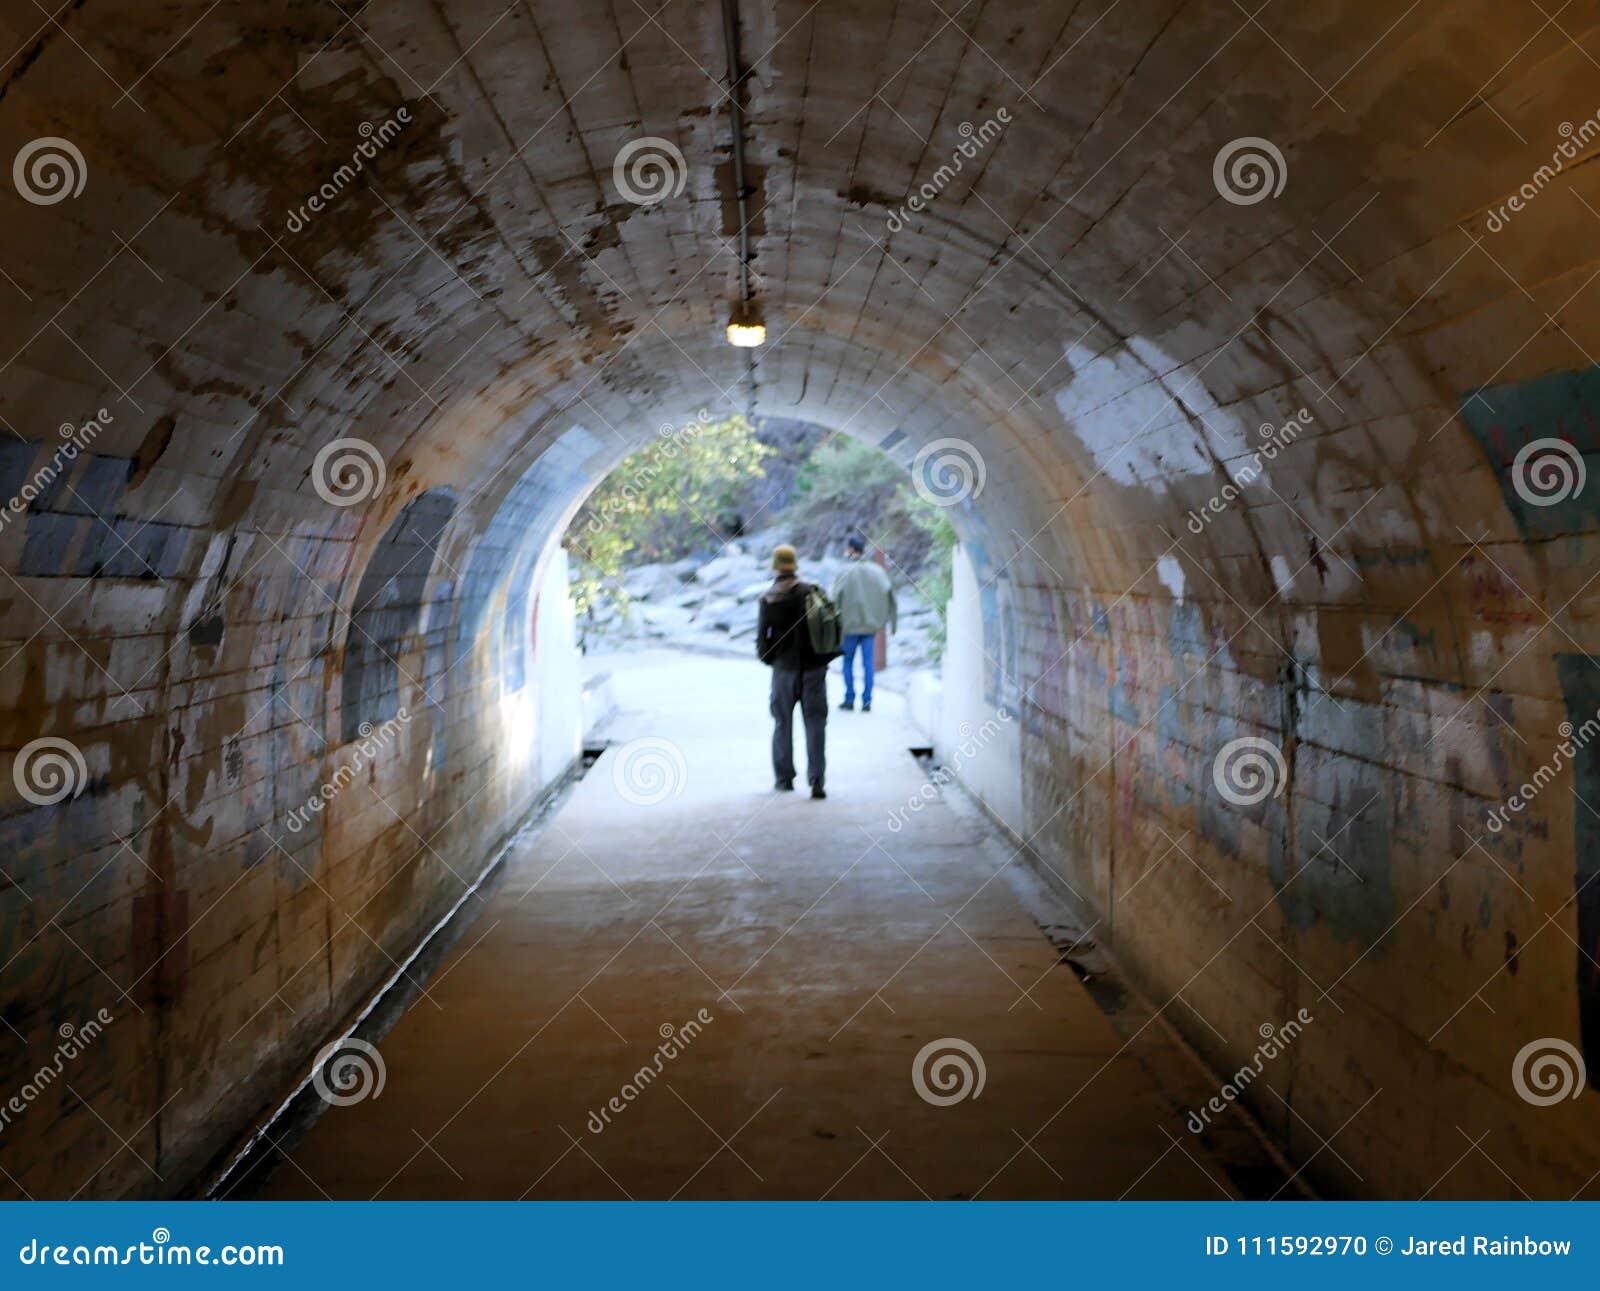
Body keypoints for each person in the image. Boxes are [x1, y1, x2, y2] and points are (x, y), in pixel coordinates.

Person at [755, 544, 829, 799]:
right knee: (816, 724)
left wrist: (772, 660)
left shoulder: (768, 598)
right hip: (813, 670)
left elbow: (761, 643)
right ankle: (817, 780)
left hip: (784, 670)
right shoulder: (810, 592)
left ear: (775, 568)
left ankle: (784, 779)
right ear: (795, 566)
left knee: (782, 723)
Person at [830, 534, 896, 712]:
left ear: (851, 549)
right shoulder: (876, 571)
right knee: (868, 663)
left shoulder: (845, 572)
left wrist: (832, 624)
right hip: (870, 627)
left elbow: (834, 598)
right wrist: (891, 622)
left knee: (848, 662)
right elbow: (889, 594)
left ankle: (849, 698)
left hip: (849, 627)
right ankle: (867, 701)